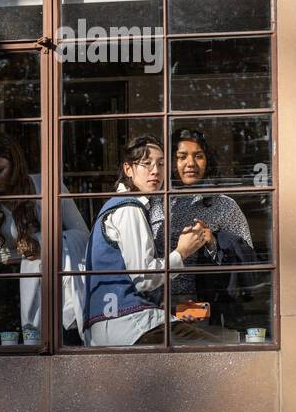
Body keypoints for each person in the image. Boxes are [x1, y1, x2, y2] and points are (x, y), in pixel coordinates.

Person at [0, 129, 90, 344]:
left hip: (52, 282)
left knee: (58, 349)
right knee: (12, 358)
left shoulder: (48, 187)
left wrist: (41, 242)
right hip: (8, 288)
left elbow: (84, 236)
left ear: (16, 164)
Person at [83, 135, 215, 346]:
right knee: (218, 350)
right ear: (128, 169)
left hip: (110, 323)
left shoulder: (115, 205)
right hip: (130, 323)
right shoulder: (129, 208)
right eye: (146, 164)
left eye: (161, 164)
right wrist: (182, 252)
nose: (155, 171)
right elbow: (143, 276)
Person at [156, 127, 257, 331]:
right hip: (157, 306)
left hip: (207, 306)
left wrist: (212, 242)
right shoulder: (155, 204)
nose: (190, 163)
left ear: (207, 160)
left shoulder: (224, 205)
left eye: (198, 156)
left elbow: (248, 263)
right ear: (171, 162)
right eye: (182, 156)